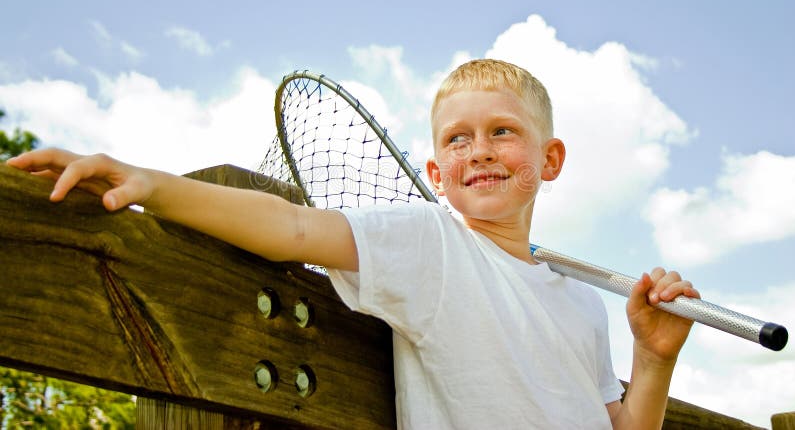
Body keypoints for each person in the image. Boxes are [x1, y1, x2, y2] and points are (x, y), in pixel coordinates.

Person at [7, 59, 699, 429]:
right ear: (437, 174)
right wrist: (151, 183)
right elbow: (294, 228)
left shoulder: (583, 300)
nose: (480, 150)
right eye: (458, 139)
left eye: (503, 131)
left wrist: (654, 357)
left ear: (550, 160)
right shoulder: (433, 246)